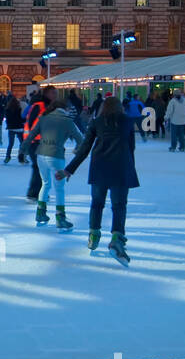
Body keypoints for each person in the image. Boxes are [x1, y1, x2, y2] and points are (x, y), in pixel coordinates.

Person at [60, 95, 139, 265]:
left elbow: (84, 149)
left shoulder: (96, 122)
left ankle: (93, 236)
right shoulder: (127, 121)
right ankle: (117, 238)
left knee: (97, 203)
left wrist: (69, 169)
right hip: (121, 168)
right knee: (119, 205)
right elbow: (131, 148)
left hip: (100, 168)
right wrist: (130, 169)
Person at [35, 99, 83, 231]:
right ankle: (60, 218)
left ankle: (40, 213)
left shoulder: (44, 118)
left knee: (45, 184)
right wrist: (77, 149)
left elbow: (33, 134)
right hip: (56, 156)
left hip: (40, 155)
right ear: (65, 109)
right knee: (59, 188)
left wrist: (23, 148)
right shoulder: (67, 120)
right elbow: (81, 139)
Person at [23, 86, 55, 201]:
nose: (54, 95)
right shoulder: (39, 106)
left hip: (43, 142)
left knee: (42, 167)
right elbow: (31, 123)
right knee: (39, 167)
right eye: (52, 93)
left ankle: (37, 192)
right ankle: (34, 193)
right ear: (46, 94)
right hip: (35, 142)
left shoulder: (49, 107)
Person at [3, 92, 25, 163]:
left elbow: (8, 119)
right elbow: (19, 119)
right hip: (19, 128)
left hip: (11, 128)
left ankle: (7, 156)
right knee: (22, 143)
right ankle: (21, 156)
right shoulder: (18, 109)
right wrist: (24, 120)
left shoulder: (7, 110)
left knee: (10, 144)